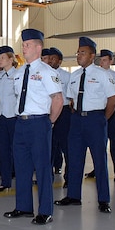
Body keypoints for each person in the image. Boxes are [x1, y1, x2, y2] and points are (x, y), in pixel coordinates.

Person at [3, 29, 64, 225]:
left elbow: (58, 99)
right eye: (23, 44)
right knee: (21, 166)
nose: (24, 47)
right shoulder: (19, 72)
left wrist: (50, 122)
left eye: (27, 45)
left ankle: (45, 210)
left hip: (39, 123)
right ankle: (24, 206)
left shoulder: (47, 72)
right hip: (21, 122)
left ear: (38, 48)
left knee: (42, 168)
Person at [56, 37, 115, 213]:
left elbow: (112, 101)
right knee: (74, 158)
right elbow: (72, 100)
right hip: (77, 120)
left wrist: (102, 119)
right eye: (78, 53)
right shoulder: (74, 76)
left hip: (95, 119)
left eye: (83, 53)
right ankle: (74, 195)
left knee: (99, 160)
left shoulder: (102, 75)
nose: (79, 56)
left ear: (92, 56)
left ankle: (103, 199)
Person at [96, 49, 115, 181]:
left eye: (105, 60)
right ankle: (97, 169)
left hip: (112, 111)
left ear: (111, 61)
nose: (102, 63)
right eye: (101, 60)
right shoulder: (95, 75)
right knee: (98, 143)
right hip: (99, 111)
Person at [0, 45, 18, 193]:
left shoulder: (18, 75)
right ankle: (5, 181)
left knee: (17, 150)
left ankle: (20, 179)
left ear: (10, 59)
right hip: (1, 116)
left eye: (2, 58)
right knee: (3, 150)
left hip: (13, 116)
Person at [47, 47, 71, 180]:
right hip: (48, 111)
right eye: (49, 58)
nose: (50, 61)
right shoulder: (44, 74)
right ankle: (48, 175)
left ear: (60, 61)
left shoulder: (67, 76)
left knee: (65, 145)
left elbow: (71, 96)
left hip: (64, 112)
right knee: (49, 145)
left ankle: (68, 177)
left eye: (53, 58)